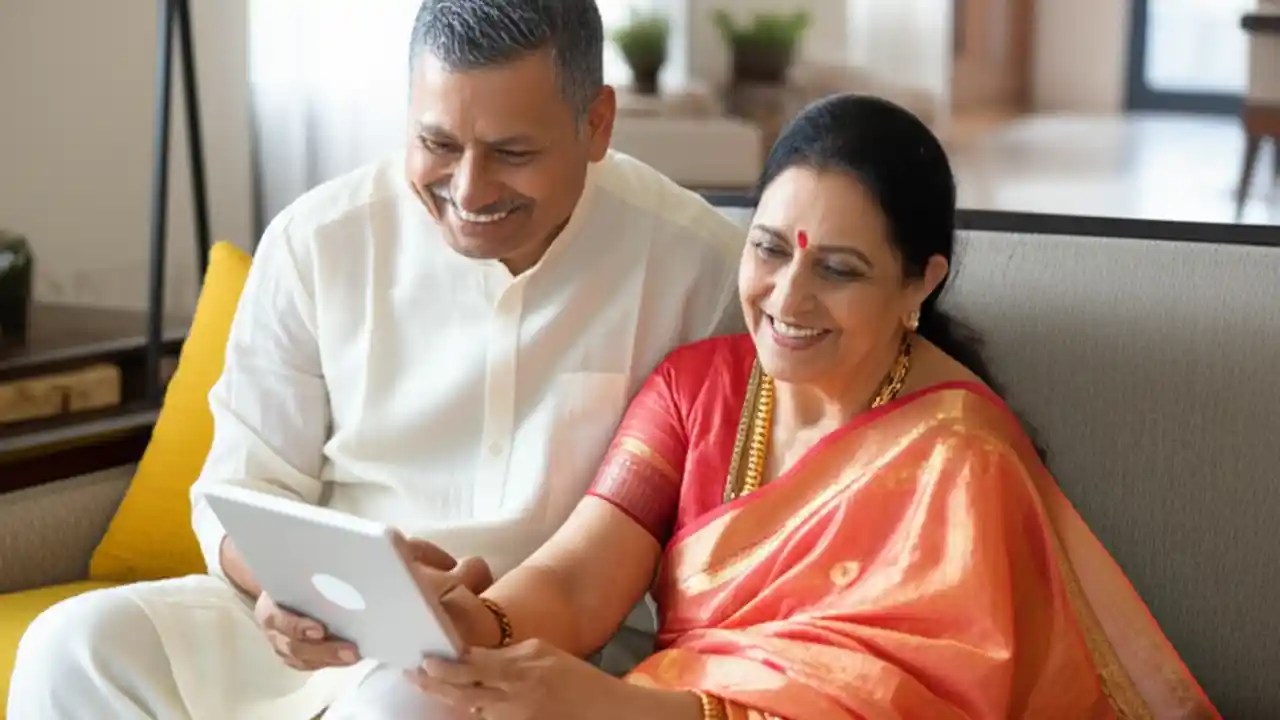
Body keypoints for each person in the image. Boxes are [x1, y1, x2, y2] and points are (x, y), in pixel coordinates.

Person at [6, 1, 743, 717]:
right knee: (68, 646)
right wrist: (285, 591)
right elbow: (239, 485)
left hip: (547, 652)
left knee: (409, 702)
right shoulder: (319, 239)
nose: (469, 189)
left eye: (512, 153)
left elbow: (726, 538)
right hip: (320, 633)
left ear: (597, 123)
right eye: (438, 143)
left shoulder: (703, 267)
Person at [394, 94, 1223, 720]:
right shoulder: (695, 389)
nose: (787, 299)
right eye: (767, 250)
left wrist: (626, 709)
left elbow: (907, 702)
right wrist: (478, 623)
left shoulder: (962, 455)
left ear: (921, 283)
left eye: (838, 269)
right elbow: (578, 581)